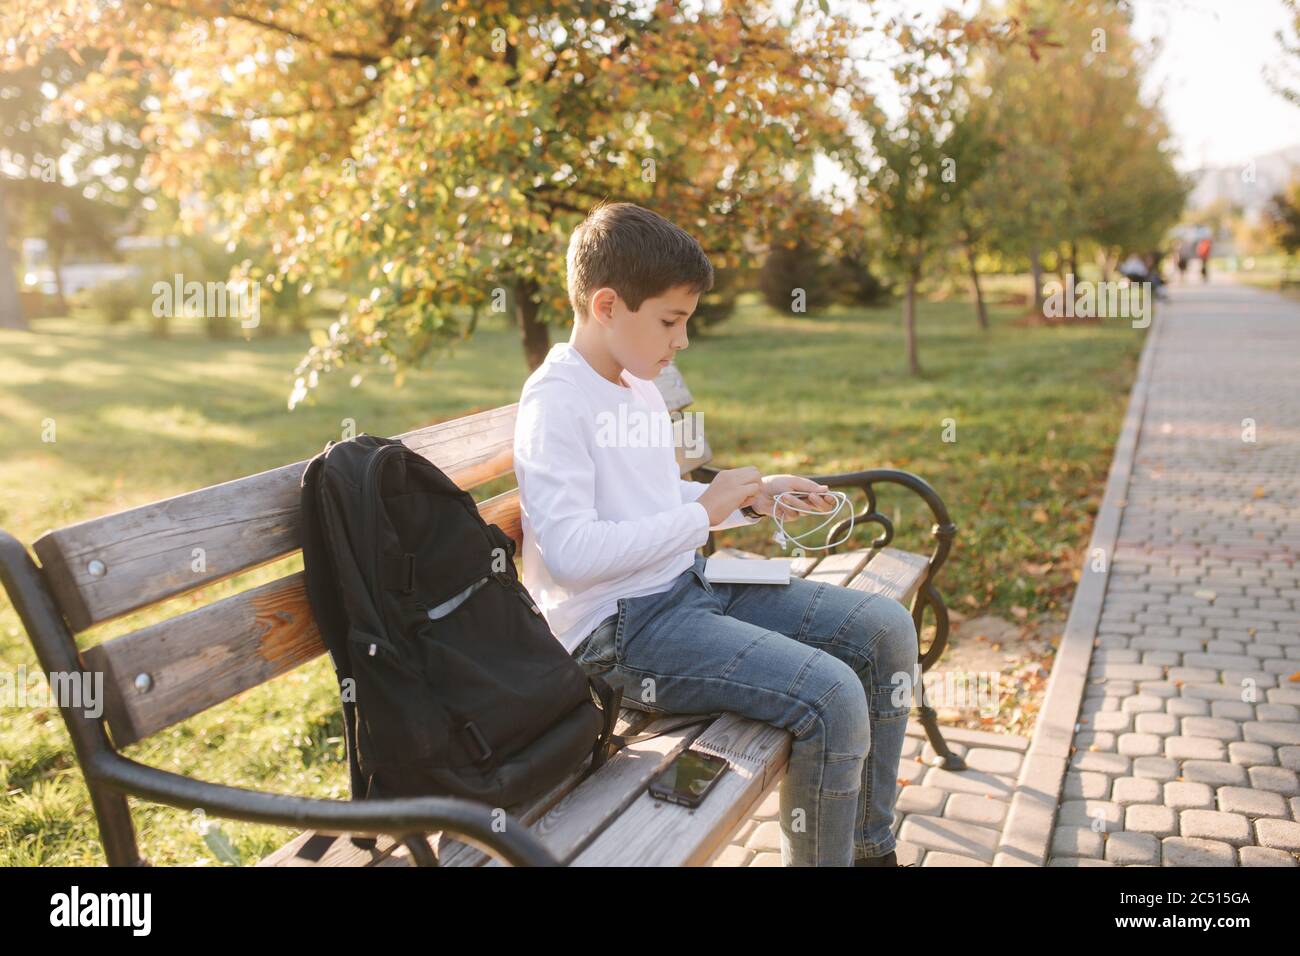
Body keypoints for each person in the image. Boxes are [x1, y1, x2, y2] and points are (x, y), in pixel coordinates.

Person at [512, 201, 918, 867]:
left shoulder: (635, 383)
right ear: (608, 305)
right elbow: (573, 555)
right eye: (671, 321)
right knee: (833, 695)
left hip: (686, 588)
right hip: (618, 635)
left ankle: (869, 851)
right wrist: (703, 515)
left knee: (885, 631)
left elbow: (653, 500)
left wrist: (752, 499)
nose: (683, 340)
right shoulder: (556, 401)